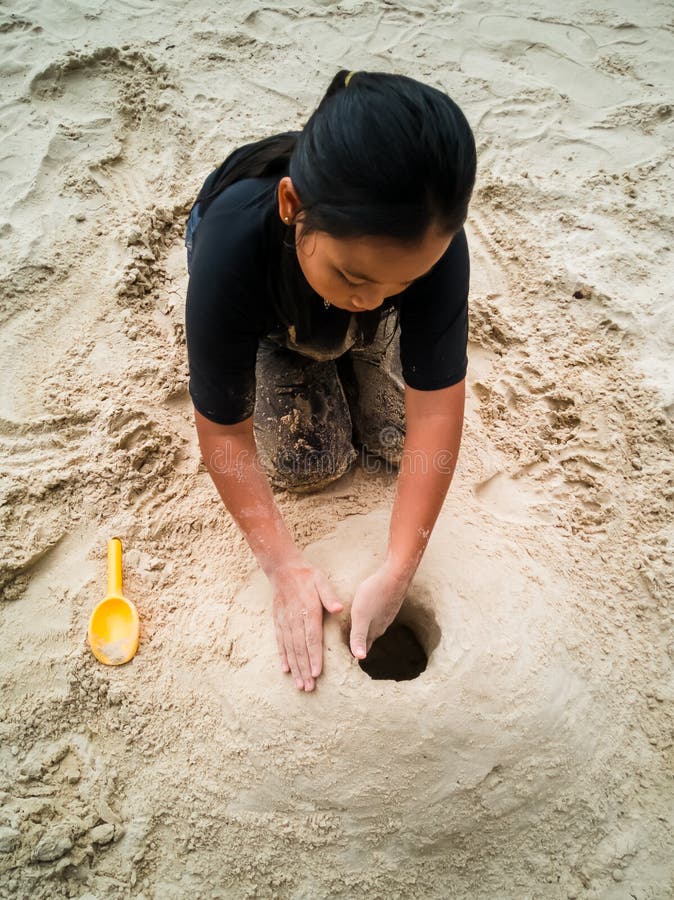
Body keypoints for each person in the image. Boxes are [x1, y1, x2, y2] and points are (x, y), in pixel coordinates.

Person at [184, 69, 476, 692]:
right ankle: (301, 349)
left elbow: (436, 414)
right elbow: (224, 435)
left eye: (400, 285)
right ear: (292, 206)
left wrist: (401, 565)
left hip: (340, 259)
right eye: (356, 280)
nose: (371, 301)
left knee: (399, 440)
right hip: (272, 309)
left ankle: (359, 344)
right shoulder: (232, 245)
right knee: (307, 461)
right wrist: (284, 566)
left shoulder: (431, 241)